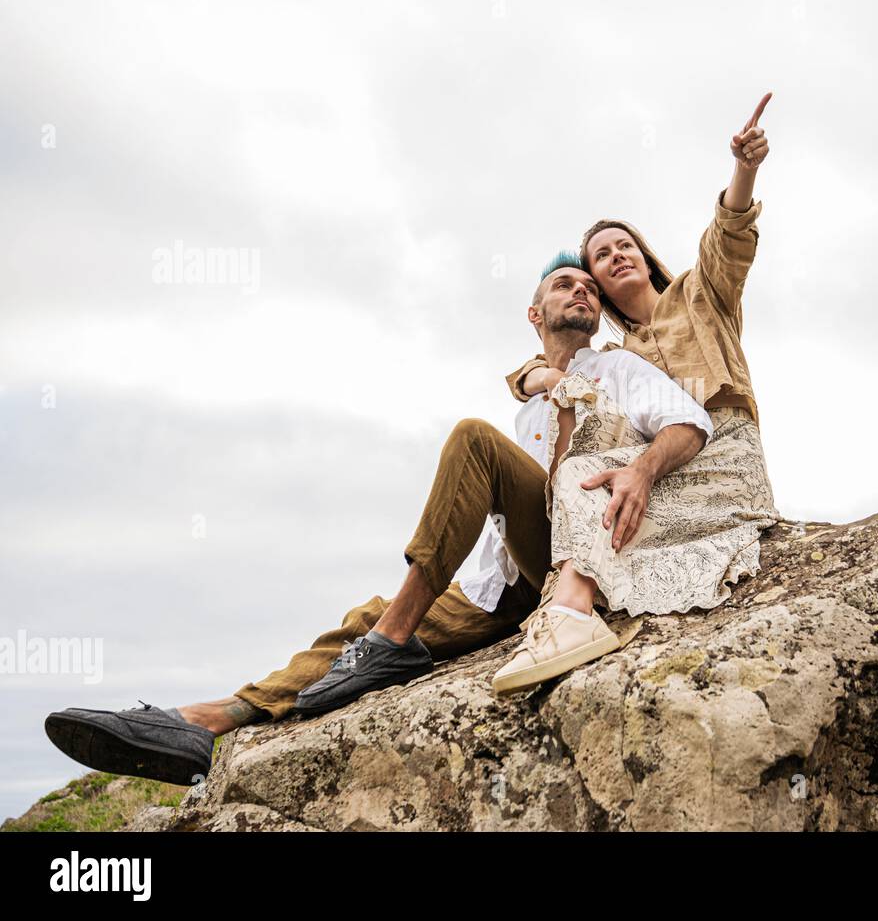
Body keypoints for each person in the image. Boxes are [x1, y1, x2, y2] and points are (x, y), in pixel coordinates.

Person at [43, 255, 712, 785]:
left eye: (588, 287)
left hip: (577, 564)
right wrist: (538, 383)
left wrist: (643, 470)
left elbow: (692, 422)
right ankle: (202, 721)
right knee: (363, 618)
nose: (582, 292)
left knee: (470, 440)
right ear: (535, 313)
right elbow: (525, 434)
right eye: (565, 285)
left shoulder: (620, 366)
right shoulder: (529, 404)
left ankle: (392, 641)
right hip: (504, 587)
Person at [502, 91, 783, 620]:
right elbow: (560, 375)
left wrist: (744, 169)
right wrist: (531, 377)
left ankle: (569, 612)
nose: (616, 256)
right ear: (598, 286)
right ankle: (569, 612)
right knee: (580, 475)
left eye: (623, 245)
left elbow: (730, 235)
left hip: (723, 450)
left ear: (643, 254)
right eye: (601, 256)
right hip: (662, 458)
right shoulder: (617, 354)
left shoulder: (703, 293)